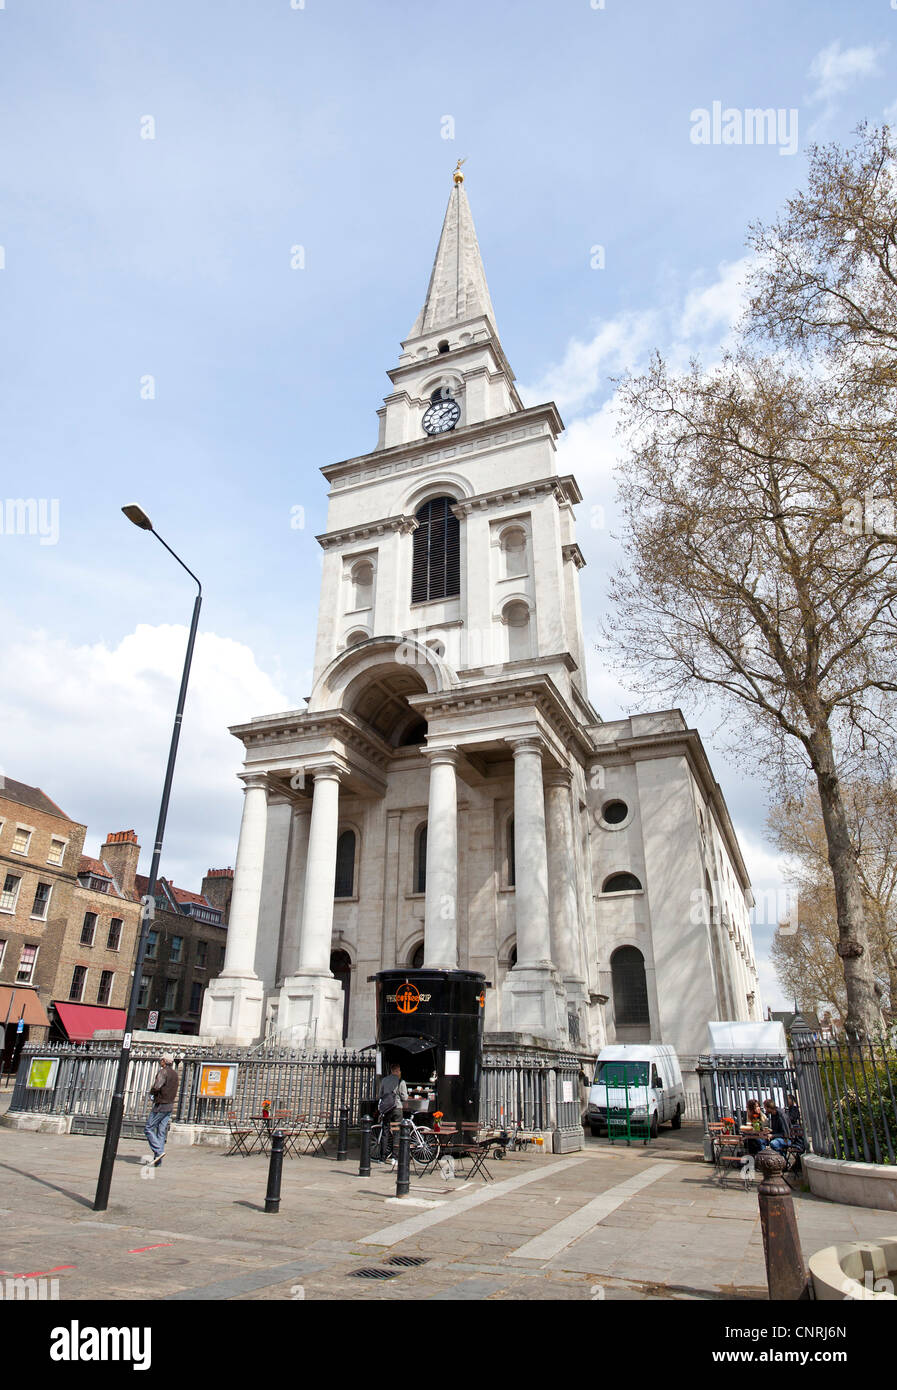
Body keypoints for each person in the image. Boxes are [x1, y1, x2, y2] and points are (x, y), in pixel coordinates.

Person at [144, 1053, 179, 1166]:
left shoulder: (163, 1072)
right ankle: (158, 1161)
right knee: (161, 1132)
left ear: (164, 1061)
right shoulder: (175, 1074)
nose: (160, 1062)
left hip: (161, 1104)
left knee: (149, 1128)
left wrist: (151, 1093)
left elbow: (157, 1086)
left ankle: (158, 1151)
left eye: (161, 1060)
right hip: (169, 1104)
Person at [376, 1062, 408, 1164]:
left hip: (387, 1109)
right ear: (397, 1071)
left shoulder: (384, 1080)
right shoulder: (400, 1082)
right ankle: (395, 1157)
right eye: (399, 1071)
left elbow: (380, 1094)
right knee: (397, 1132)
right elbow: (404, 1097)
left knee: (385, 1131)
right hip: (397, 1108)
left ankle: (382, 1157)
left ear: (391, 1071)